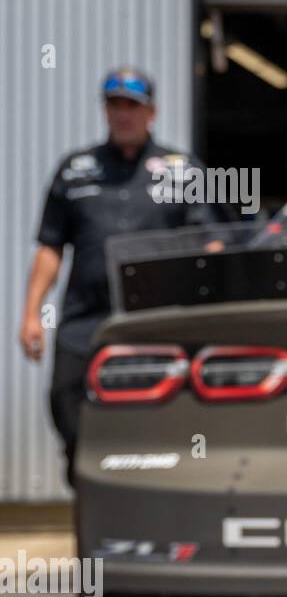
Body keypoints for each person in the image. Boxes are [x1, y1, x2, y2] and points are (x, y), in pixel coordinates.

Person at [19, 67, 226, 486]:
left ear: (152, 112)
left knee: (156, 417)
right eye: (115, 105)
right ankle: (87, 481)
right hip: (85, 323)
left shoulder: (181, 170)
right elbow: (50, 247)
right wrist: (31, 314)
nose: (123, 114)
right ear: (105, 111)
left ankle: (152, 496)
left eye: (133, 105)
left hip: (155, 321)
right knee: (66, 402)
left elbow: (211, 242)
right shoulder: (76, 170)